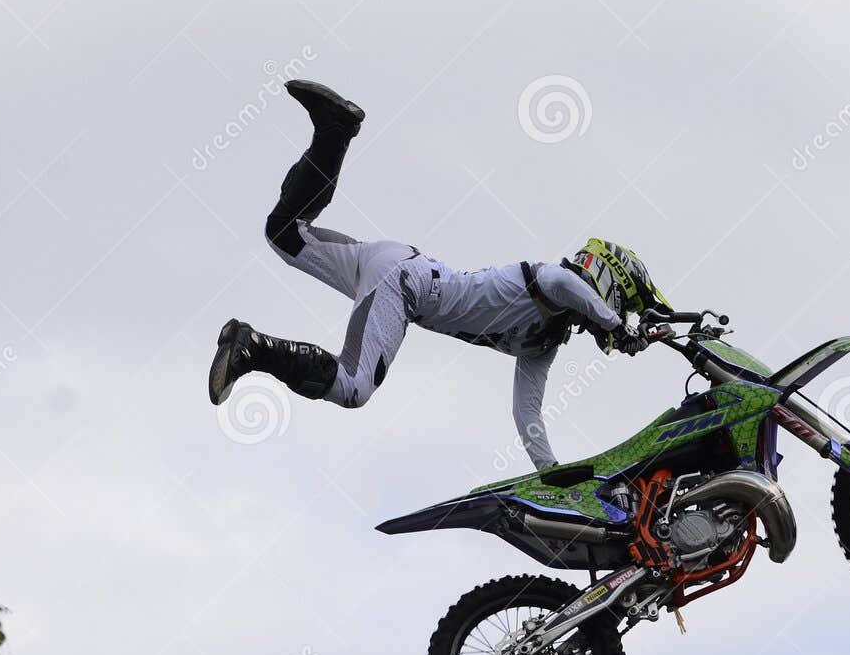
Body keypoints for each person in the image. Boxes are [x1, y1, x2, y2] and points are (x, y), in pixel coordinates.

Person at [207, 79, 669, 470]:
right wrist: (614, 325)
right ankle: (253, 348)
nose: (613, 315)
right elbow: (564, 284)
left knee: (285, 233)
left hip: (397, 264)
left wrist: (550, 472)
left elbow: (526, 410)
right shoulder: (547, 282)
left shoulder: (543, 339)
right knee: (353, 388)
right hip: (404, 286)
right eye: (618, 302)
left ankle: (334, 131)